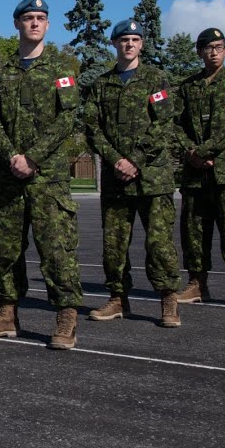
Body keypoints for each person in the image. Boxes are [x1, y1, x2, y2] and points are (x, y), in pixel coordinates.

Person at [0, 0, 84, 350]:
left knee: (56, 249)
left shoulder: (62, 69)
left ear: (48, 25)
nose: (35, 23)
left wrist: (32, 157)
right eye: (28, 18)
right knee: (6, 251)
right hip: (8, 177)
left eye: (41, 18)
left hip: (47, 178)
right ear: (17, 24)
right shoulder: (1, 72)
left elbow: (67, 119)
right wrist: (11, 155)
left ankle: (65, 317)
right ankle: (7, 313)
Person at [82, 19, 181, 328]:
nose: (129, 44)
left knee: (159, 243)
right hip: (115, 180)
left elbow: (163, 125)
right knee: (114, 245)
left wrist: (135, 160)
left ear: (141, 44)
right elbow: (92, 127)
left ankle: (168, 299)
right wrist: (115, 160)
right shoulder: (102, 84)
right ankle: (117, 298)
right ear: (114, 43)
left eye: (135, 39)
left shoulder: (156, 79)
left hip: (152, 178)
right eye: (123, 39)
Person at [172, 27, 225, 310]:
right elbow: (176, 124)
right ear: (199, 52)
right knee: (194, 232)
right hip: (196, 172)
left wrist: (205, 151)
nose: (214, 52)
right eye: (208, 47)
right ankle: (197, 283)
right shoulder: (188, 86)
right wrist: (191, 152)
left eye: (219, 47)